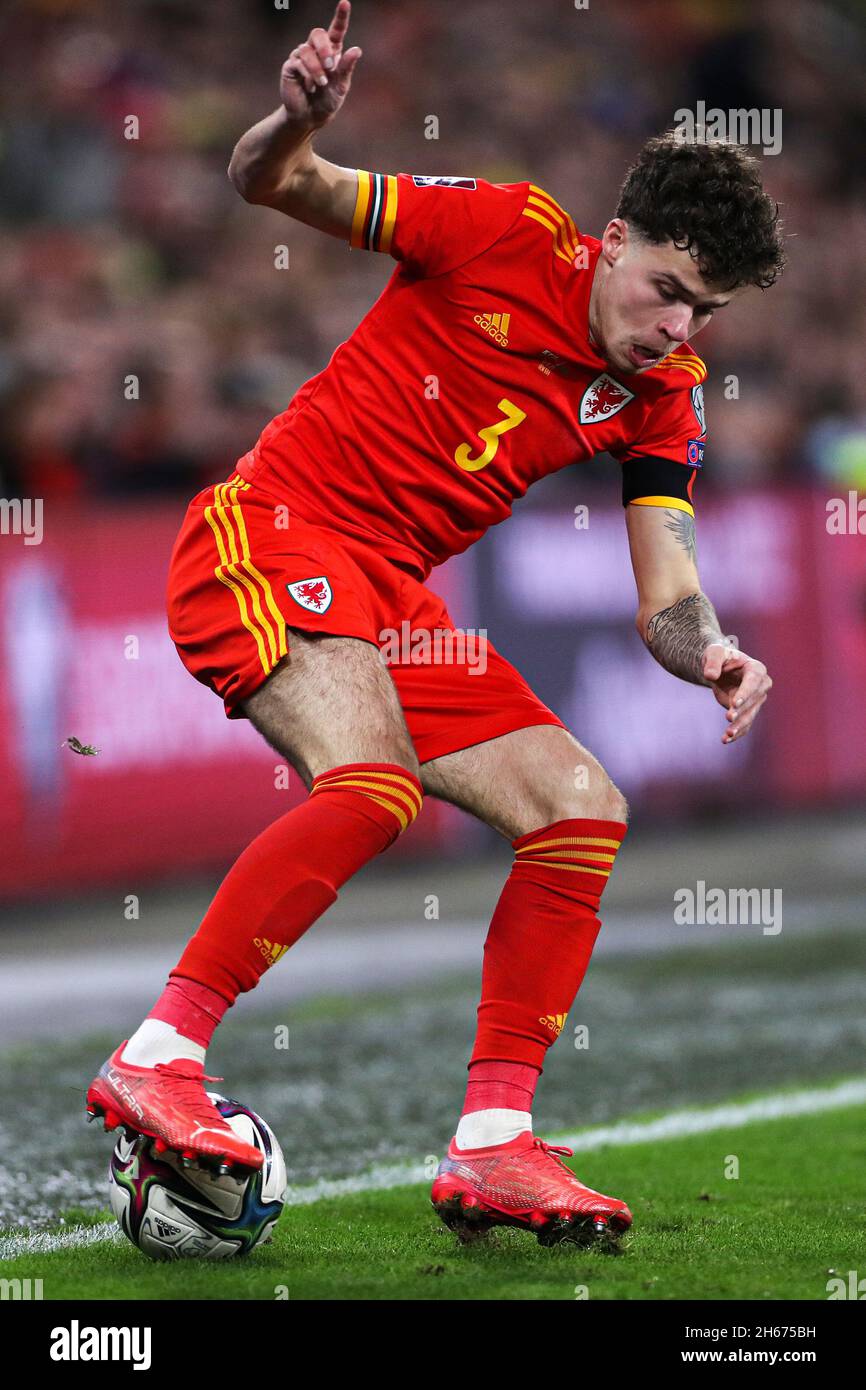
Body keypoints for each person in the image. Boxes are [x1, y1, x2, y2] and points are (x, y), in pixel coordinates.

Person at [87, 0, 782, 1245]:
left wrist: (713, 651)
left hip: (389, 598)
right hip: (275, 528)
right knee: (372, 785)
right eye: (669, 291)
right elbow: (271, 184)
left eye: (707, 313)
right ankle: (158, 1055)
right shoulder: (498, 227)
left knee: (581, 804)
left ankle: (493, 1146)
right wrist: (293, 123)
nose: (680, 330)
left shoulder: (658, 395)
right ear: (609, 240)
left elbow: (666, 596)